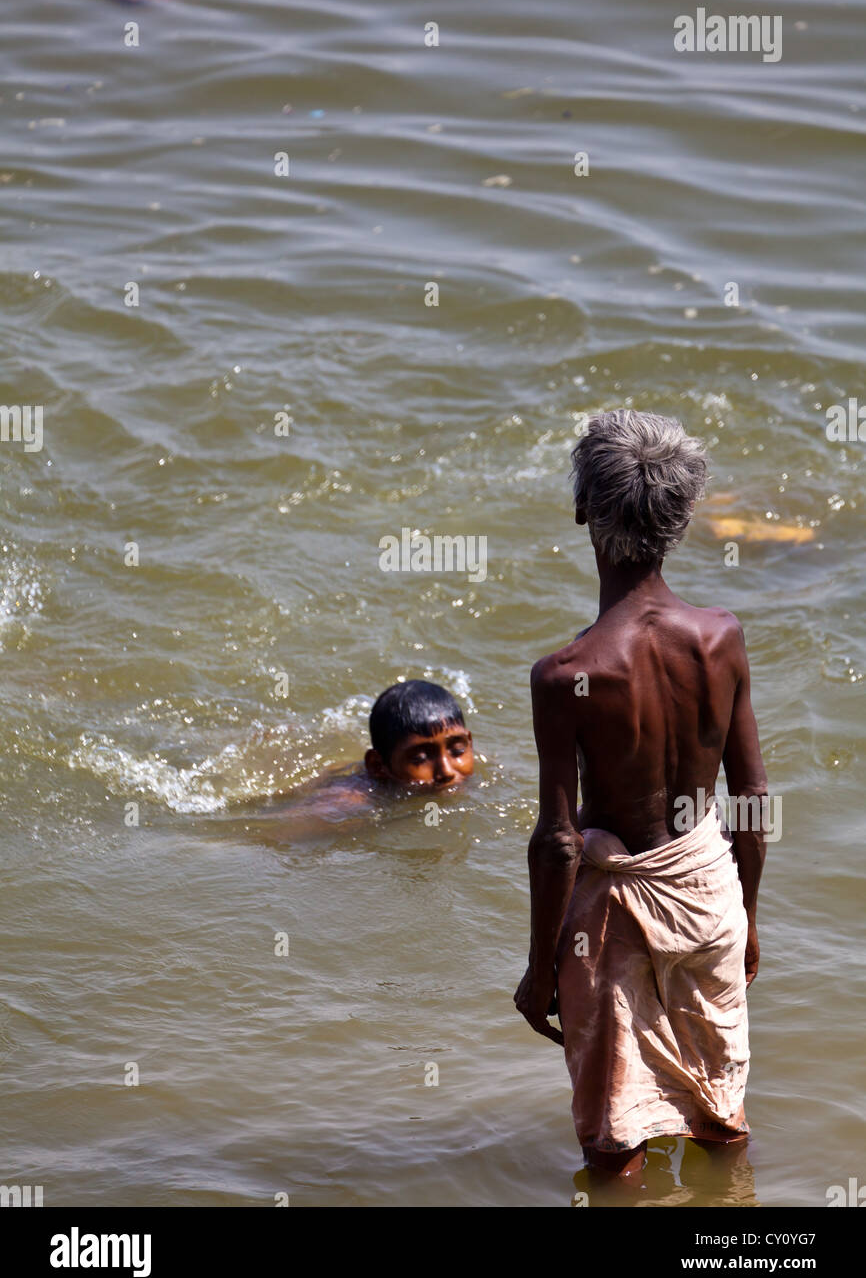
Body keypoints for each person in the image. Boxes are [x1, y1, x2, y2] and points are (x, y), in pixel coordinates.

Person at [513, 408, 769, 1181]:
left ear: (584, 507)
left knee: (613, 1139)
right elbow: (752, 797)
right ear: (683, 519)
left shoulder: (566, 676)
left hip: (614, 923)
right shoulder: (719, 636)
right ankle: (729, 1227)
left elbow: (559, 839)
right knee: (718, 1111)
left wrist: (538, 967)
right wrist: (746, 918)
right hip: (708, 894)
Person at [255, 680, 474, 837]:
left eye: (456, 750)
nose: (446, 770)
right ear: (377, 765)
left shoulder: (470, 771)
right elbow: (266, 835)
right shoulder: (348, 806)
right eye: (420, 758)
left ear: (469, 743)